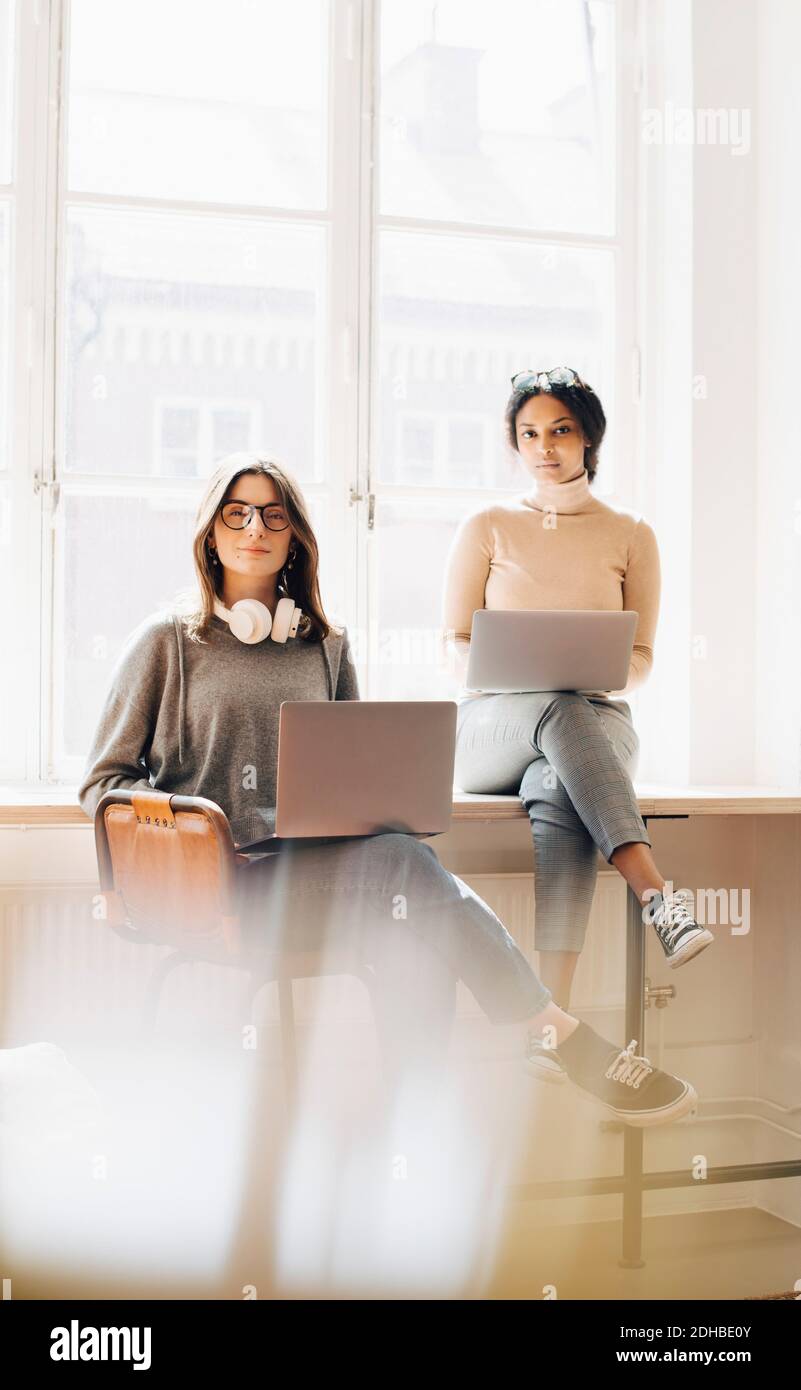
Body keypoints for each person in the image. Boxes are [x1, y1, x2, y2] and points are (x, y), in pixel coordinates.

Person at [77, 451, 699, 1126]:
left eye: (273, 514)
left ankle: (413, 1140)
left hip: (307, 877)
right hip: (214, 890)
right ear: (210, 533)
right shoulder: (166, 642)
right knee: (407, 879)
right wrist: (197, 828)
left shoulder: (324, 646)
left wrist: (377, 805)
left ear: (293, 538)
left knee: (409, 912)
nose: (254, 526)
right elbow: (104, 785)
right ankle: (553, 1035)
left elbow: (347, 772)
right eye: (237, 513)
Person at [441, 366, 714, 1081]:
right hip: (491, 729)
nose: (544, 447)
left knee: (559, 785)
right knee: (557, 709)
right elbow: (454, 646)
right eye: (528, 433)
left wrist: (590, 670)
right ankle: (657, 895)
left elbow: (644, 658)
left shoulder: (630, 535)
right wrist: (532, 675)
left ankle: (549, 1028)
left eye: (560, 430)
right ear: (512, 443)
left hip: (595, 721)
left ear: (588, 436)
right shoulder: (487, 527)